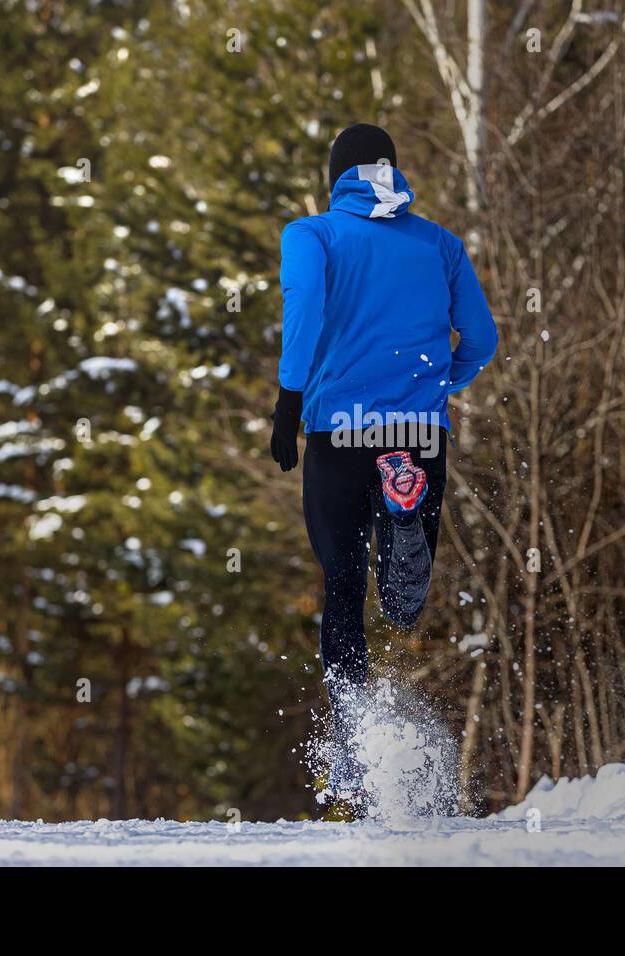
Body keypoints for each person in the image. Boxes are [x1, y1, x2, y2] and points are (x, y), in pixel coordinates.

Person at [270, 123, 497, 804]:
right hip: (416, 433)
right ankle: (402, 507)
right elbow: (481, 340)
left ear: (334, 176)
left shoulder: (311, 235)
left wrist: (289, 399)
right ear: (390, 172)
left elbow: (306, 306)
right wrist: (439, 386)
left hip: (337, 434)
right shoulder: (440, 243)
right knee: (401, 604)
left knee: (342, 586)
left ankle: (352, 739)